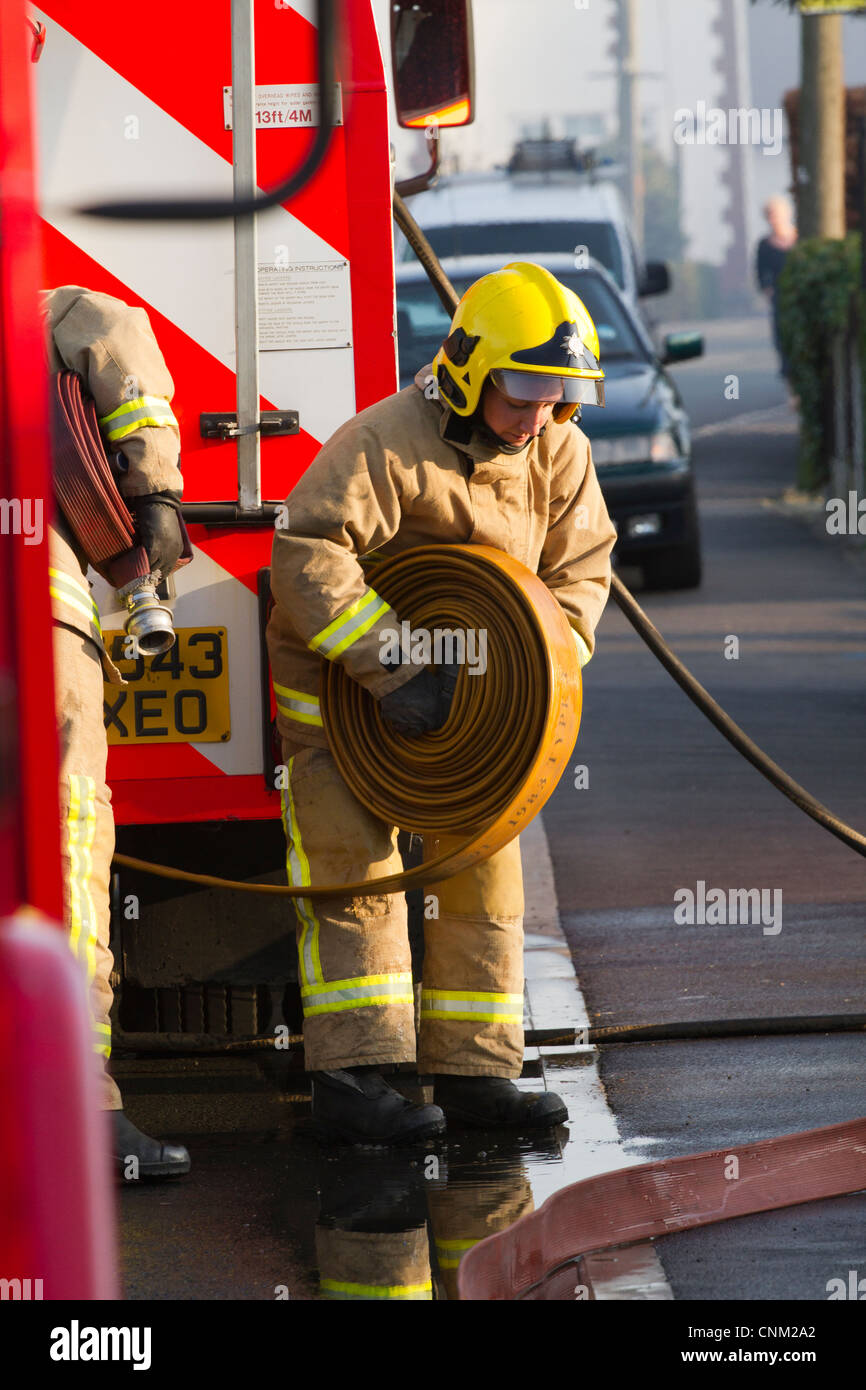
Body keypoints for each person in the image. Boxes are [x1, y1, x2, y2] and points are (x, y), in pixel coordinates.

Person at [266, 261, 617, 1144]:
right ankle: (356, 1082)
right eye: (521, 395)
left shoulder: (558, 450)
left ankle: (473, 1075)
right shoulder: (389, 441)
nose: (537, 418)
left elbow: (579, 574)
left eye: (556, 398)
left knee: (484, 870)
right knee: (355, 877)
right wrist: (395, 667)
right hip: (345, 700)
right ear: (467, 373)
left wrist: (537, 685)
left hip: (481, 720)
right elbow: (308, 551)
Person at [44, 286, 191, 1180]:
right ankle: (76, 1105)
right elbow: (112, 336)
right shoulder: (42, 312)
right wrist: (156, 493)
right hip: (34, 623)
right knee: (66, 840)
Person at [756, 194, 797, 382]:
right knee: (783, 342)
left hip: (801, 298)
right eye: (770, 215)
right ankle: (791, 388)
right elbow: (761, 274)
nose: (774, 219)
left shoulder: (801, 239)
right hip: (780, 300)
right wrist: (768, 291)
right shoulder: (764, 245)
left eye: (777, 214)